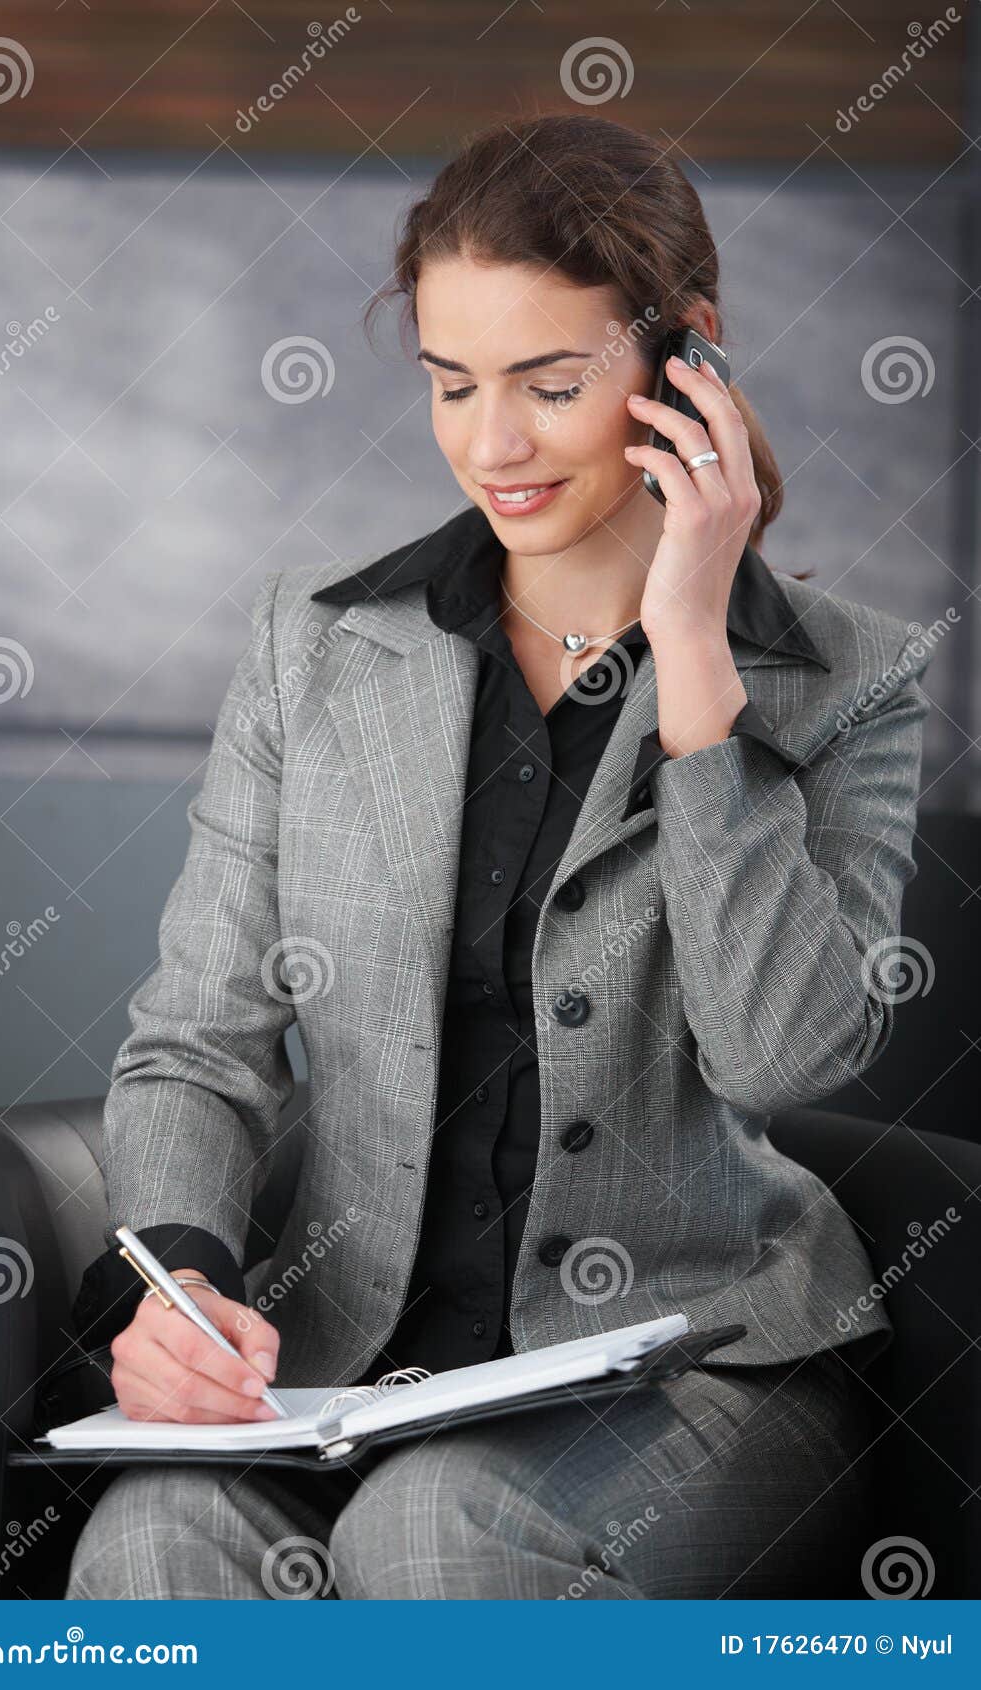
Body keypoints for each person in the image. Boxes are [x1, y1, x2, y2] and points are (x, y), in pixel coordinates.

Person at [65, 113, 931, 1600]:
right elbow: (196, 1044)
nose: (492, 444)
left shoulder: (849, 680)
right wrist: (182, 1273)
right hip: (359, 1376)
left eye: (550, 383)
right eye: (452, 385)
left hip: (707, 1374)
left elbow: (786, 1052)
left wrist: (700, 668)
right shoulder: (317, 646)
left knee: (440, 1529)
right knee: (149, 1538)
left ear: (689, 356)